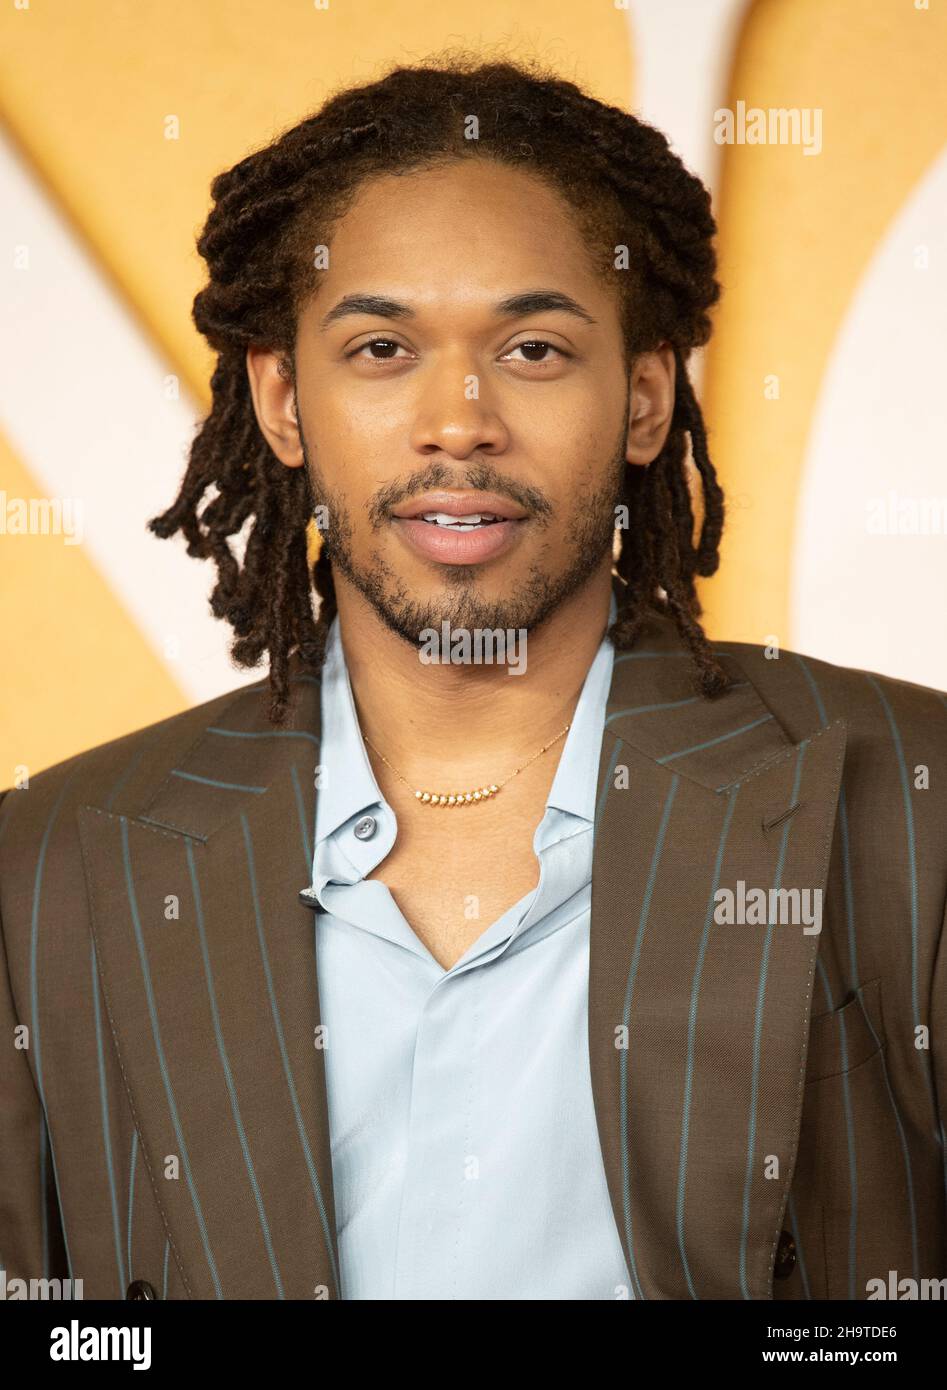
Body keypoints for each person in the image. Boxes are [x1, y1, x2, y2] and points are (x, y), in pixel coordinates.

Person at [1, 54, 944, 1302]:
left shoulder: (913, 800)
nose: (458, 421)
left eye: (533, 348)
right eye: (382, 346)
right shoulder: (48, 867)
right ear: (282, 399)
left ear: (645, 398)